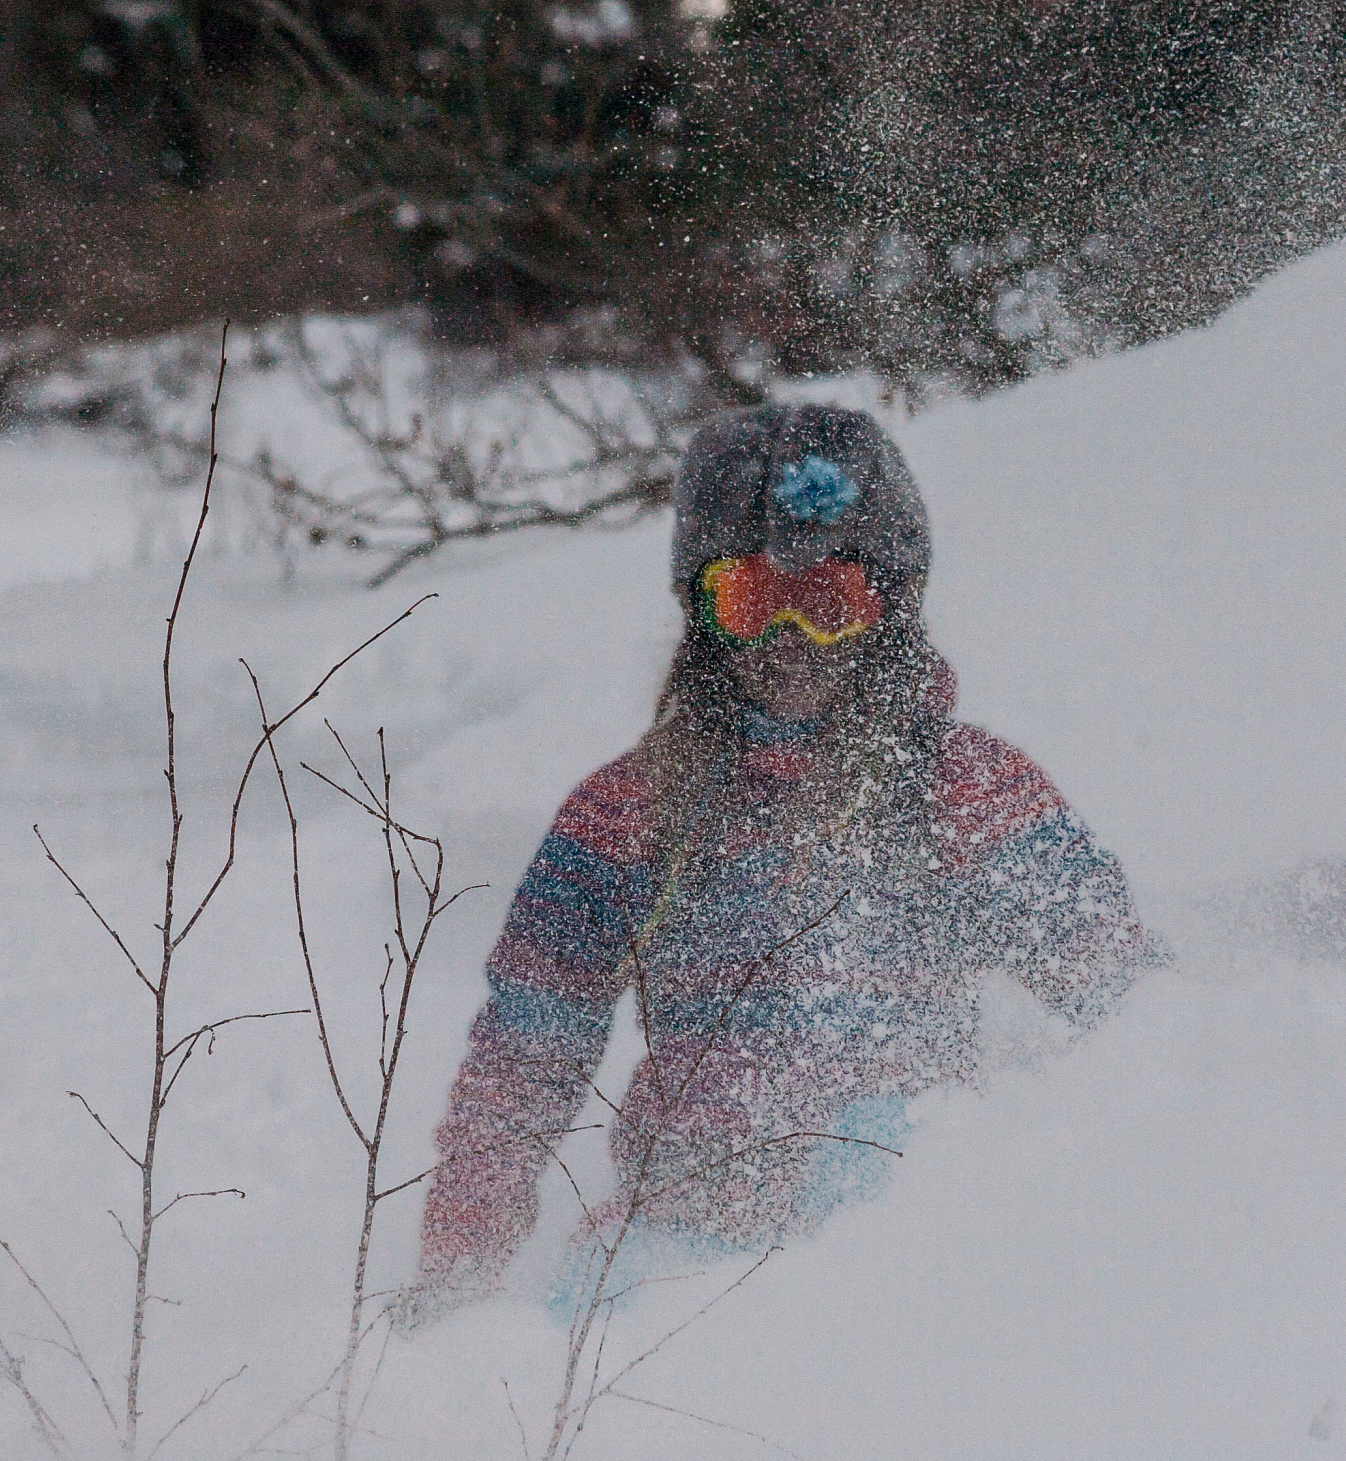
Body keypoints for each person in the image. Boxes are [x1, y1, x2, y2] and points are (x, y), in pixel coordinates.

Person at [397, 403, 1159, 1328]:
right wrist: (458, 1264)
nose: (788, 638)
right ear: (705, 613)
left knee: (871, 1144)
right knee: (577, 1354)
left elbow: (1126, 1001)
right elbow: (524, 1060)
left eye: (827, 602)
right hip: (683, 1242)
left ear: (888, 609)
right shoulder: (629, 814)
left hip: (908, 1248)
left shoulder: (964, 789)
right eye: (753, 602)